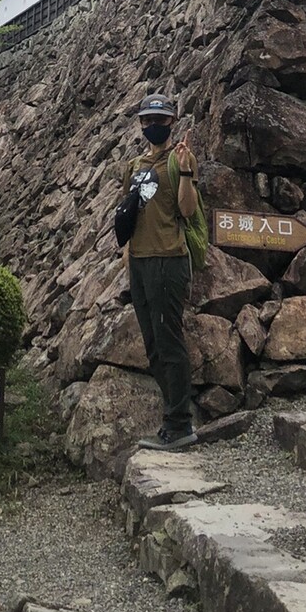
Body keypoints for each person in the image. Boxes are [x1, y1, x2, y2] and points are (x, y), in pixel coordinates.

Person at [122, 93, 200, 451]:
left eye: (162, 120)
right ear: (141, 124)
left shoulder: (181, 159)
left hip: (169, 259)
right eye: (149, 119)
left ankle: (179, 424)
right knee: (152, 344)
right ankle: (173, 417)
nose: (154, 125)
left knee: (170, 341)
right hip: (139, 261)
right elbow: (130, 215)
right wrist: (128, 262)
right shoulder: (134, 165)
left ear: (172, 122)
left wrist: (184, 170)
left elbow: (187, 210)